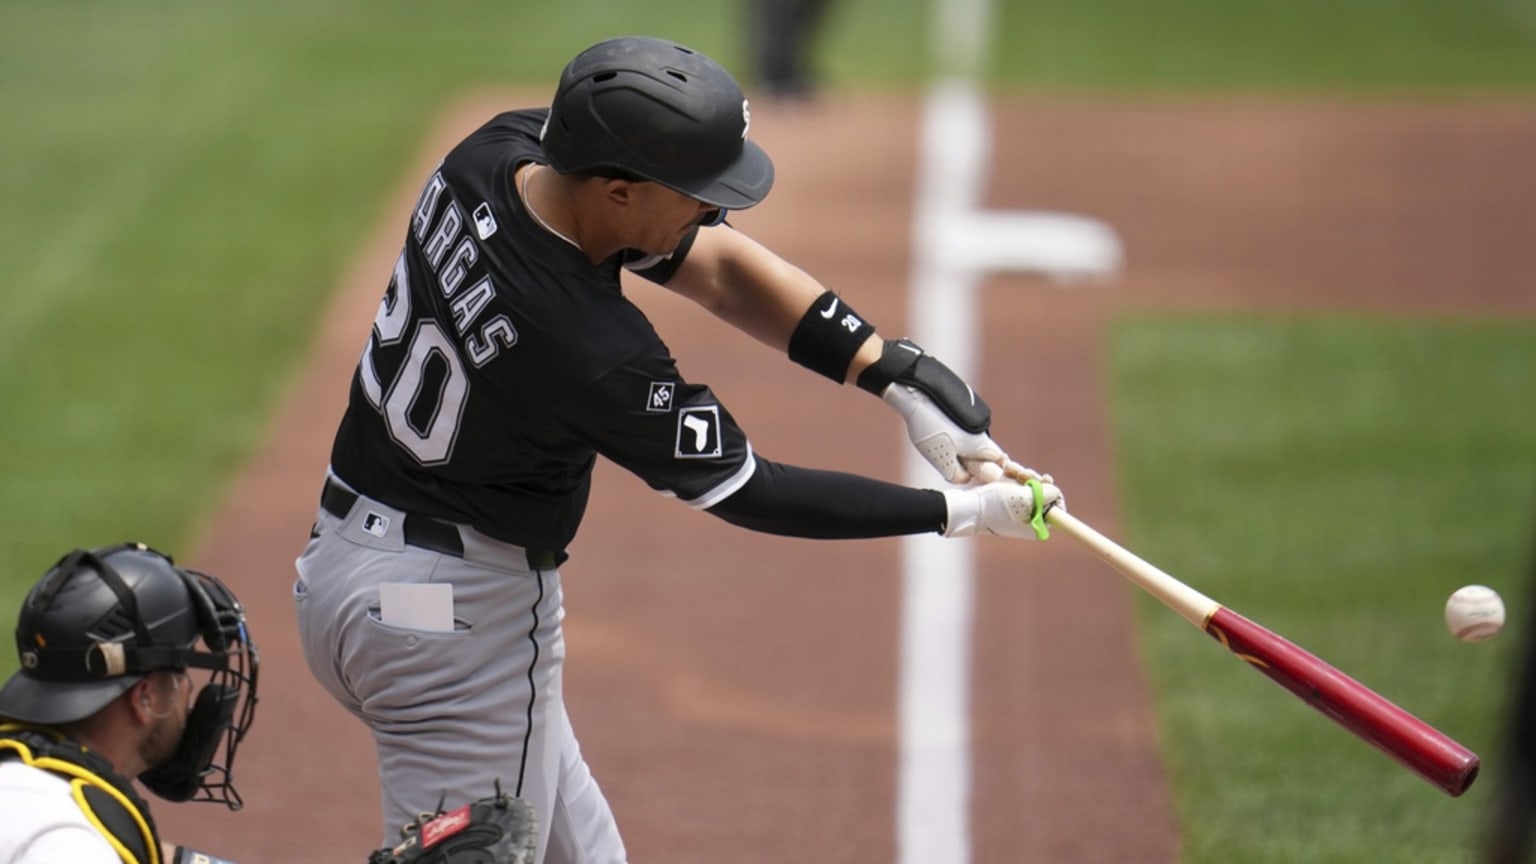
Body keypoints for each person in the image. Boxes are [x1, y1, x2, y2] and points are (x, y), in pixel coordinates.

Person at [293, 34, 1063, 864]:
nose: (712, 209)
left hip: (352, 573)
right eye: (696, 192)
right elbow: (753, 491)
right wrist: (960, 511)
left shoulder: (498, 155)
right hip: (450, 636)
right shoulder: (588, 347)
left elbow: (720, 268)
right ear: (619, 193)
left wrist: (886, 369)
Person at [0, 542, 259, 864]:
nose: (189, 690)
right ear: (145, 697)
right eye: (180, 675)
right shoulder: (70, 842)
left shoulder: (26, 786)